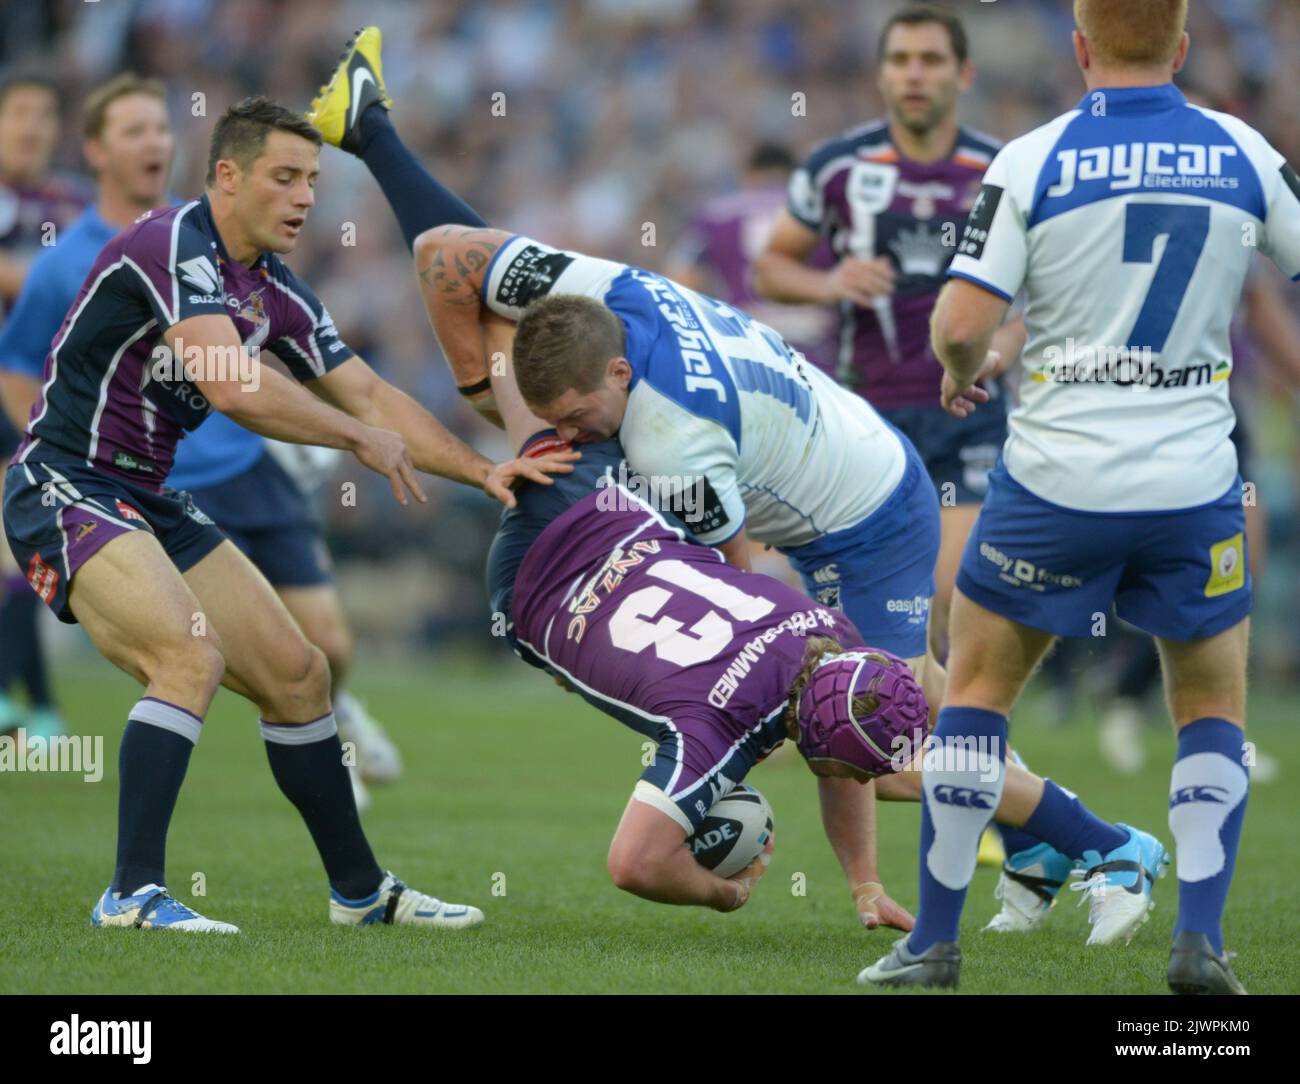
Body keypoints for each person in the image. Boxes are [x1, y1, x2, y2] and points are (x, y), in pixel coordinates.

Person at [308, 26, 1168, 941]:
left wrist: (767, 767)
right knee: (902, 708)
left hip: (871, 520)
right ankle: (368, 127)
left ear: (617, 378)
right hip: (839, 450)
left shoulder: (674, 447)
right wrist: (485, 390)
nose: (568, 437)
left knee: (871, 739)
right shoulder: (613, 294)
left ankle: (1110, 844)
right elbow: (449, 256)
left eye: (577, 420)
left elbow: (738, 607)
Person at [4, 94, 571, 934]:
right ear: (227, 177)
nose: (305, 196)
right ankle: (130, 894)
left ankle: (361, 894)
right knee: (187, 656)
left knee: (301, 675)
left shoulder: (274, 289)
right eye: (285, 177)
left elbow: (369, 393)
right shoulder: (172, 243)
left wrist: (484, 469)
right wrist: (354, 437)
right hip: (64, 481)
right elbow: (234, 386)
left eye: (311, 179)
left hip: (148, 495)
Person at [861, 0, 1300, 994]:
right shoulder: (1242, 151)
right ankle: (1199, 943)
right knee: (1211, 708)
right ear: (1181, 46)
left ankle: (934, 944)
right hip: (1195, 482)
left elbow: (960, 324)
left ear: (1079, 47)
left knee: (976, 694)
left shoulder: (1032, 159)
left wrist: (962, 367)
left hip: (1056, 482)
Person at [0, 72, 403, 808]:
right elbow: (24, 365)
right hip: (117, 478)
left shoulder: (220, 252)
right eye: (133, 130)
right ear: (95, 151)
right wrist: (48, 454)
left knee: (320, 650)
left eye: (160, 127)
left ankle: (337, 756)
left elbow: (286, 373)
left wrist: (478, 467)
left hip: (234, 463)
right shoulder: (78, 255)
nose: (154, 141)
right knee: (189, 657)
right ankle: (34, 712)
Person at [754, 4, 1022, 669]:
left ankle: (947, 719)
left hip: (966, 415)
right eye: (900, 60)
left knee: (952, 596)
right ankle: (895, 718)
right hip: (864, 418)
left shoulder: (1005, 171)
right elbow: (771, 267)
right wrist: (830, 281)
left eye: (931, 60)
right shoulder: (837, 168)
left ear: (964, 74)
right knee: (874, 614)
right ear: (881, 74)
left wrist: (994, 355)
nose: (914, 74)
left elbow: (1037, 304)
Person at [0, 72, 92, 739]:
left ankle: (24, 701)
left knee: (20, 545)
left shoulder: (71, 205)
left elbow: (86, 283)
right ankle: (36, 705)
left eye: (44, 113)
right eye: (19, 112)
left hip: (35, 387)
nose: (32, 126)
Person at [665, 142, 837, 374]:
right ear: (796, 178)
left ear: (746, 175)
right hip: (816, 349)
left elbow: (680, 281)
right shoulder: (824, 214)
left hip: (744, 347)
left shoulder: (714, 216)